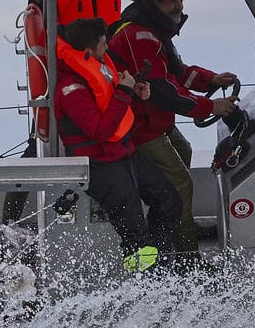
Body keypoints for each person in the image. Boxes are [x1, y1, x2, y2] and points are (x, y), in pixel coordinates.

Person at [107, 0, 239, 256]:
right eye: (171, 0)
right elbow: (163, 92)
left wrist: (210, 79)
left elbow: (176, 72)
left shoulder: (156, 30)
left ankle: (180, 223)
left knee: (184, 150)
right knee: (180, 184)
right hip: (140, 127)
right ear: (152, 1)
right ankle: (186, 256)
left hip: (156, 122)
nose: (179, 5)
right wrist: (210, 106)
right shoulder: (139, 36)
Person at [53, 18, 180, 274]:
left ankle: (163, 264)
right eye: (102, 45)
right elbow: (100, 131)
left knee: (168, 201)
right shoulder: (71, 89)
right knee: (135, 237)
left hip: (123, 154)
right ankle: (147, 286)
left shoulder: (99, 70)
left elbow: (116, 112)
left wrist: (133, 92)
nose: (107, 49)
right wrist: (123, 91)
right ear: (88, 51)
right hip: (100, 165)